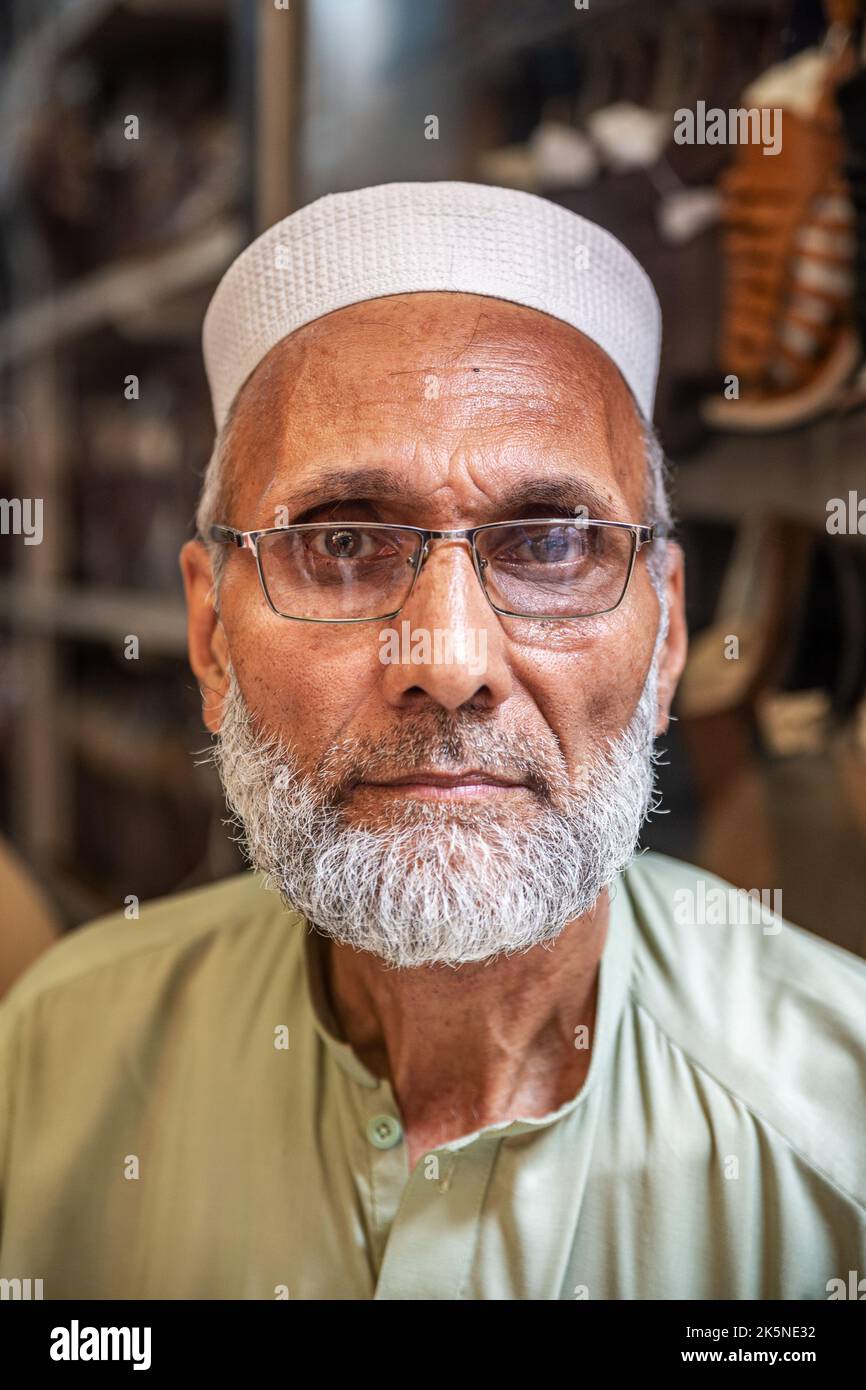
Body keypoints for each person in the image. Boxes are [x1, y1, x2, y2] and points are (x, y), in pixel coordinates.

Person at [1, 182, 864, 1300]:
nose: (448, 659)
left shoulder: (836, 1138)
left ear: (666, 641)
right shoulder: (60, 1057)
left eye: (549, 543)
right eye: (344, 539)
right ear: (212, 637)